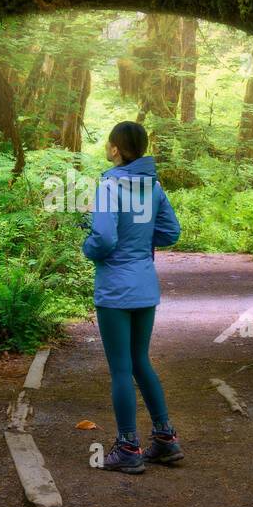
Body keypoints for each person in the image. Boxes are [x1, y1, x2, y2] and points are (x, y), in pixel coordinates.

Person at [82, 121, 183, 475]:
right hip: (145, 284)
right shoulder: (152, 186)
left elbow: (104, 239)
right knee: (141, 360)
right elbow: (171, 231)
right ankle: (165, 439)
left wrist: (88, 247)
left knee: (122, 369)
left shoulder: (109, 185)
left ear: (115, 149)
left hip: (114, 288)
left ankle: (127, 447)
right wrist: (141, 243)